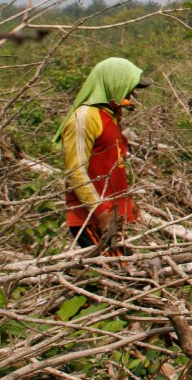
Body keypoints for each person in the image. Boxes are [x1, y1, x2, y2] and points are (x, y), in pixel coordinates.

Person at [53, 57, 152, 257]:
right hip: (91, 219)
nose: (132, 93)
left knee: (123, 275)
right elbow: (75, 171)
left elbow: (112, 165)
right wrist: (100, 212)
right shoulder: (84, 118)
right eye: (129, 87)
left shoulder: (109, 116)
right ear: (113, 84)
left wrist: (127, 201)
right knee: (119, 278)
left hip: (110, 217)